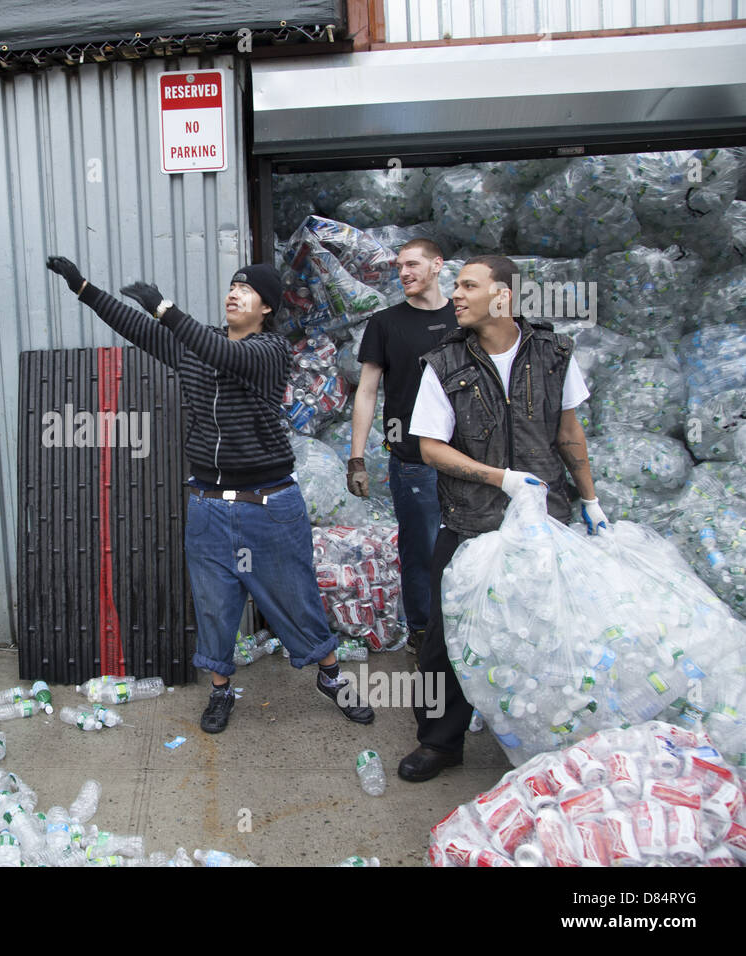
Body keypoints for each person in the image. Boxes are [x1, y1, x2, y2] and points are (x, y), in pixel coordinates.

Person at [45, 254, 374, 733]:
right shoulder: (198, 345)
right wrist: (83, 286)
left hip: (270, 508)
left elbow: (225, 356)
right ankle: (222, 691)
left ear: (267, 308)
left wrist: (166, 308)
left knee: (297, 598)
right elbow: (140, 330)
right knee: (215, 606)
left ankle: (330, 677)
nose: (234, 292)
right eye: (232, 286)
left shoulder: (270, 351)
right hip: (209, 508)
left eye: (248, 289)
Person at [397, 254, 608, 782]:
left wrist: (591, 500)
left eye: (468, 285)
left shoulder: (555, 354)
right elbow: (429, 449)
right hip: (470, 522)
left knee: (549, 633)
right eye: (456, 286)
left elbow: (568, 433)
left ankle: (551, 738)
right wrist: (499, 478)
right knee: (447, 638)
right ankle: (439, 743)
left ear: (503, 296)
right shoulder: (444, 363)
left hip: (543, 523)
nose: (457, 296)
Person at [348, 238, 457, 656]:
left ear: (437, 264)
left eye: (413, 264)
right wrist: (356, 457)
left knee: (471, 546)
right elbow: (367, 391)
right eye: (399, 267)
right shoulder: (385, 322)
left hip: (467, 459)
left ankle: (466, 632)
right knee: (422, 548)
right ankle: (423, 635)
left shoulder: (465, 316)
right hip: (413, 461)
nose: (404, 272)